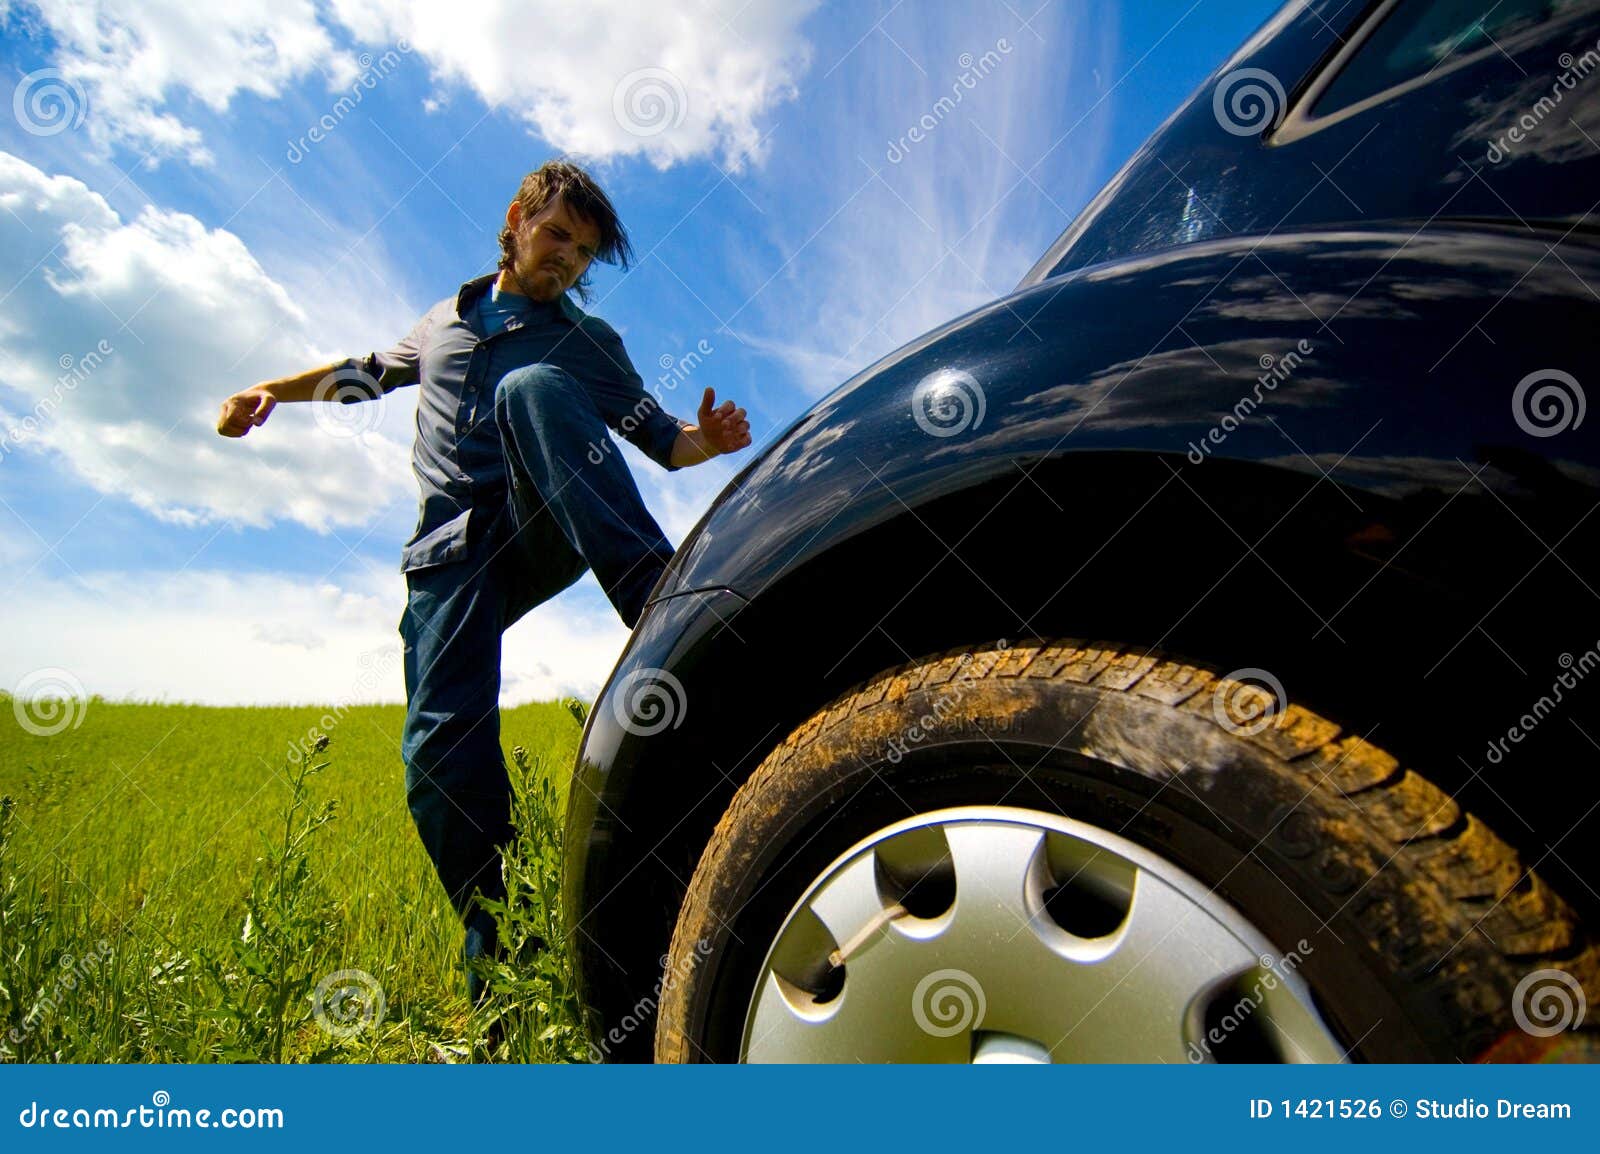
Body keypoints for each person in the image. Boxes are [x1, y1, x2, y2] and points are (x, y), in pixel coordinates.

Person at [215, 159, 751, 1006]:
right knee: (436, 760)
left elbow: (661, 439)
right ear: (517, 220)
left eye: (583, 255)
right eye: (557, 238)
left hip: (538, 521)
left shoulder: (585, 344)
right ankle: (508, 953)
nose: (566, 262)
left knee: (534, 386)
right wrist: (266, 390)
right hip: (447, 561)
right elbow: (361, 375)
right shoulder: (441, 322)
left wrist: (707, 441)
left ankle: (659, 610)